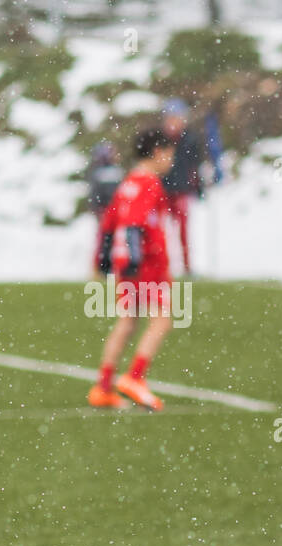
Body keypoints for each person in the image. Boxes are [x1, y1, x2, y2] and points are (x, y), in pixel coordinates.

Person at [88, 128, 177, 411]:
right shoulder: (148, 184)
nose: (171, 161)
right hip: (145, 265)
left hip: (124, 264)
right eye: (170, 155)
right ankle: (135, 377)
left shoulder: (127, 183)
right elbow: (136, 225)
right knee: (162, 320)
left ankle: (103, 388)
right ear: (157, 153)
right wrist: (137, 258)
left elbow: (109, 224)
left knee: (127, 322)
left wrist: (103, 258)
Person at [160, 98, 206, 276]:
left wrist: (198, 187)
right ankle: (163, 266)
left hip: (182, 190)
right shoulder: (161, 140)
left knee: (183, 230)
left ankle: (186, 266)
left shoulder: (190, 139)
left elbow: (195, 166)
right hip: (164, 191)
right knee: (161, 232)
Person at [87, 141, 123, 273]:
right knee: (103, 240)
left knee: (111, 239)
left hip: (112, 209)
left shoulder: (115, 171)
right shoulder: (98, 172)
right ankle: (100, 267)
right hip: (104, 209)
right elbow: (95, 193)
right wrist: (96, 208)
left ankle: (109, 266)